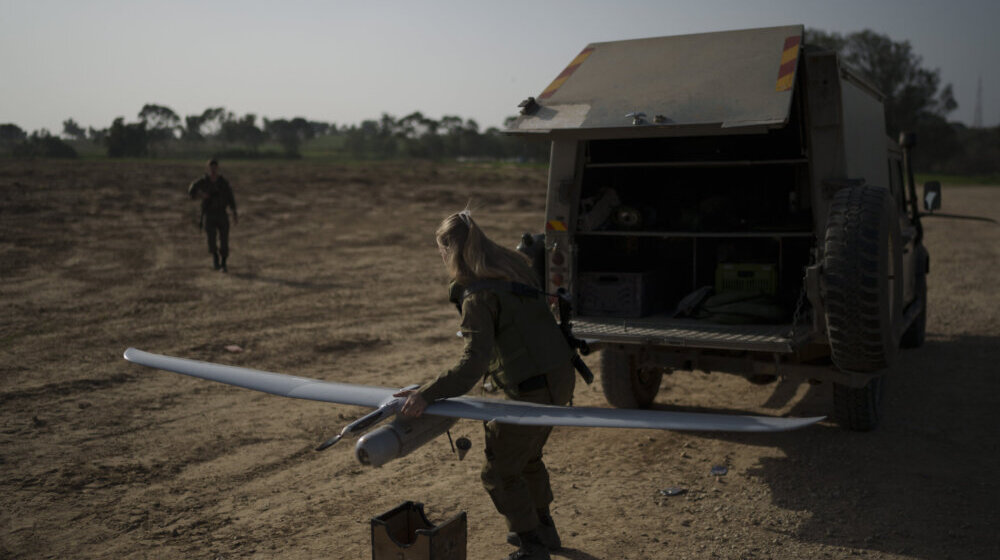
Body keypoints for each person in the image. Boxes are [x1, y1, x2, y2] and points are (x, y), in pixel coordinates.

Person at [394, 210, 576, 560]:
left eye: (441, 250)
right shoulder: (515, 267)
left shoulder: (477, 295)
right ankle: (544, 529)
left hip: (530, 389)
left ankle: (532, 545)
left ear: (449, 249)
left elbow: (472, 366)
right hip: (559, 378)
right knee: (527, 457)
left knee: (499, 471)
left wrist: (425, 394)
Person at [188, 159, 238, 272]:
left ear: (218, 168)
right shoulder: (203, 181)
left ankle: (223, 263)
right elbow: (191, 190)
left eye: (215, 167)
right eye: (211, 168)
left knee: (224, 240)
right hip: (209, 214)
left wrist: (234, 212)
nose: (213, 170)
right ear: (208, 168)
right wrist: (201, 195)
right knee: (211, 240)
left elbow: (230, 197)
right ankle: (215, 258)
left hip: (222, 214)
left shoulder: (223, 182)